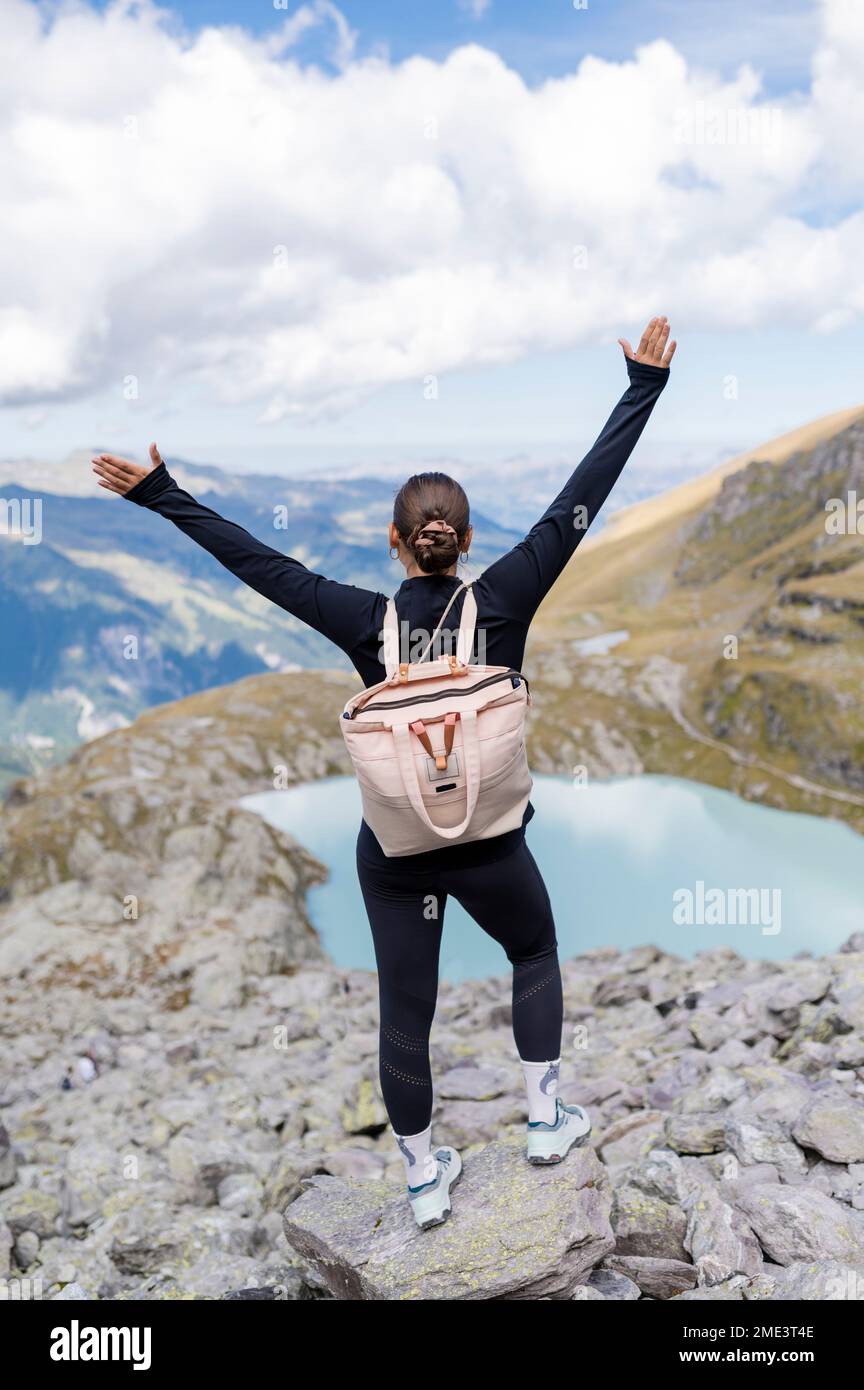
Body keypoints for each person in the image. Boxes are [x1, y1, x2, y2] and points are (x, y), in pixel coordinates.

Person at [92, 316, 676, 1230]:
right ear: (467, 540)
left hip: (395, 853)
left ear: (397, 544)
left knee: (406, 1008)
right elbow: (581, 498)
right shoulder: (510, 594)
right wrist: (644, 386)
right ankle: (543, 1119)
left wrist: (164, 494)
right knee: (533, 952)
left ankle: (419, 1176)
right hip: (491, 839)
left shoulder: (365, 621)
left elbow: (261, 566)